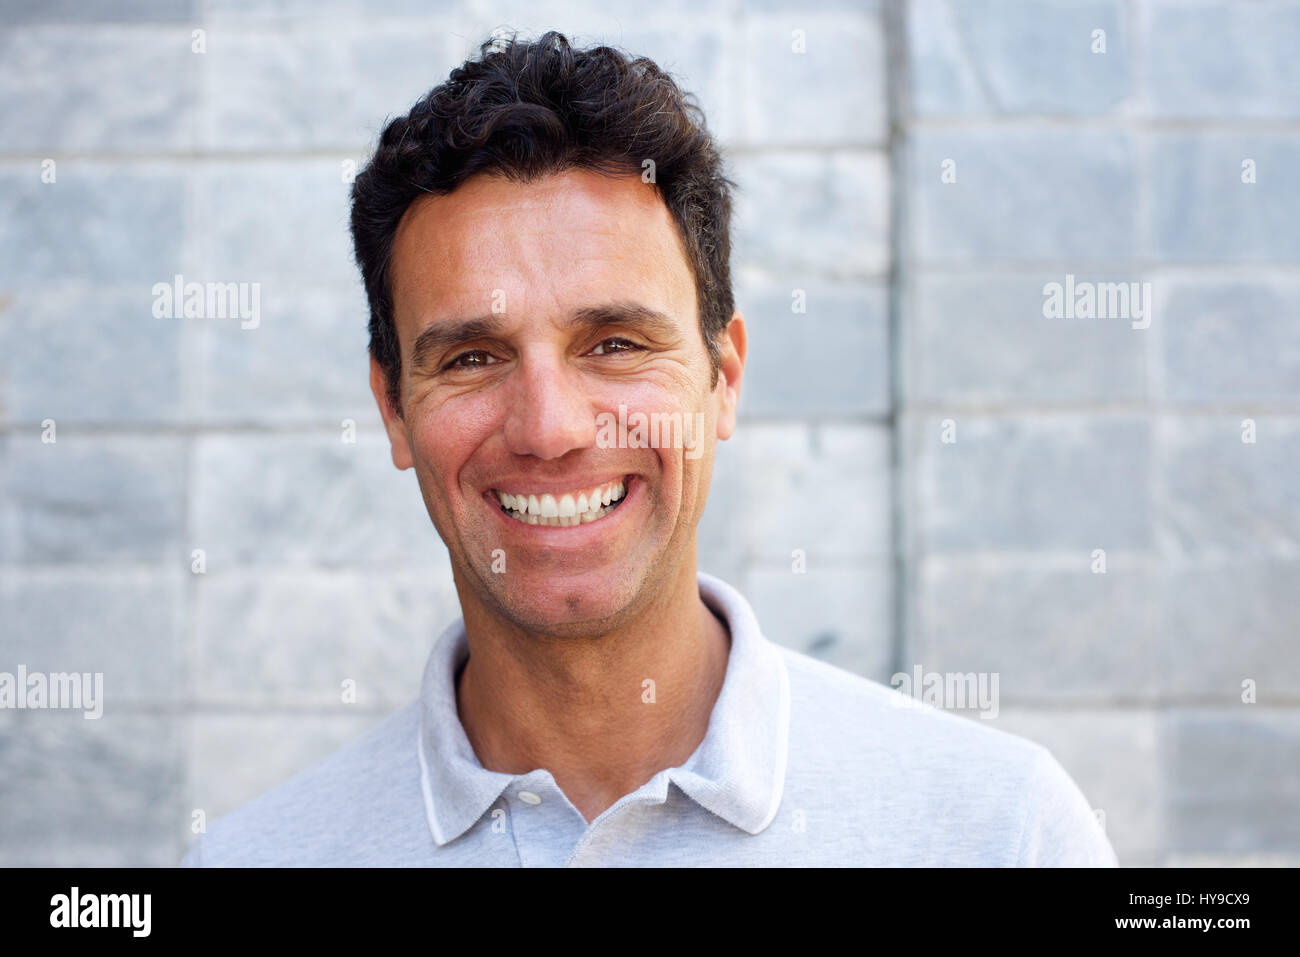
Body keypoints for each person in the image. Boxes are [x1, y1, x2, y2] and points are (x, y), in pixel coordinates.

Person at [181, 31, 1117, 867]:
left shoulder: (1000, 833)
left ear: (723, 379)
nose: (550, 428)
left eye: (615, 344)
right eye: (472, 357)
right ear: (393, 408)